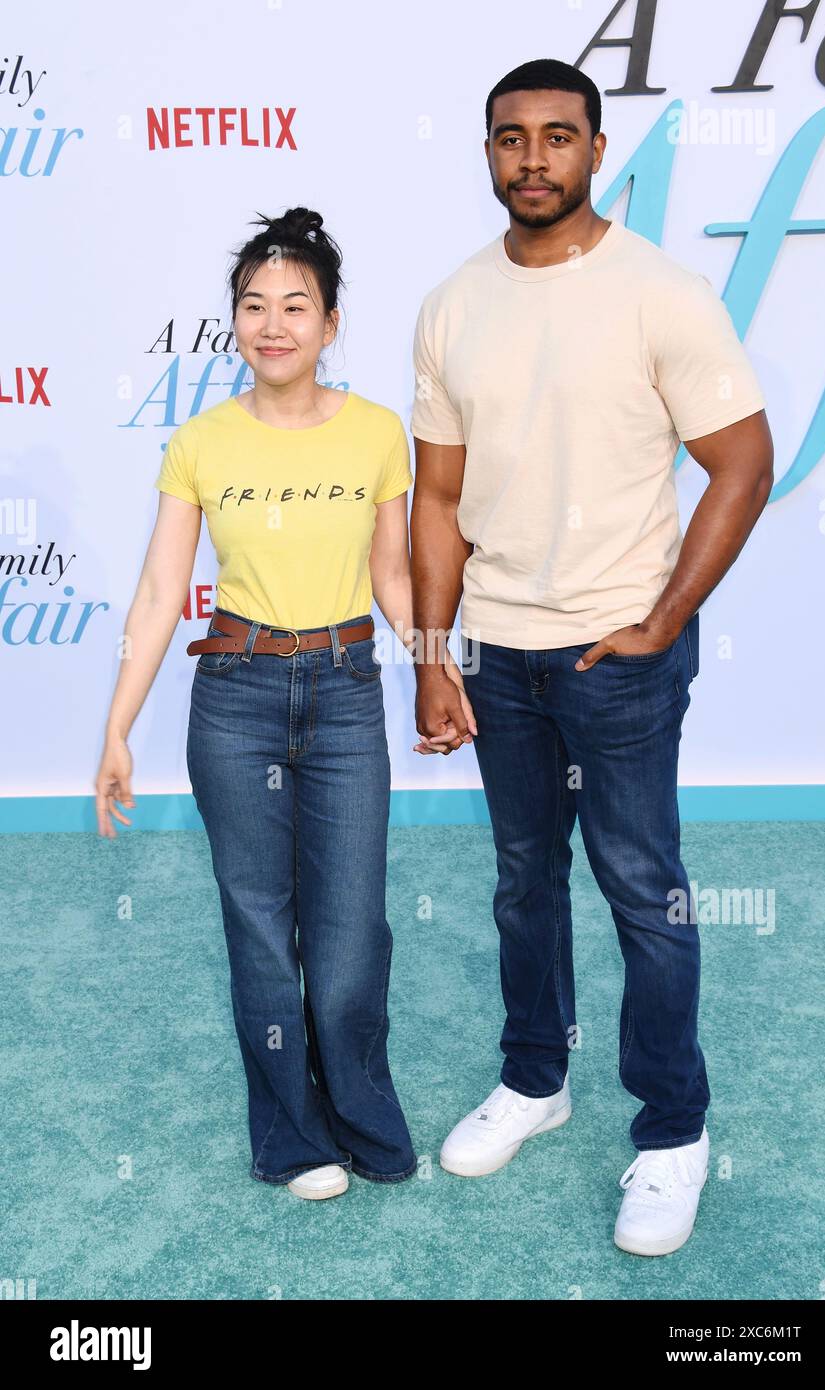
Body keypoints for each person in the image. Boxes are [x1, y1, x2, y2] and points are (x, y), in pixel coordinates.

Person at [410, 60, 774, 1255]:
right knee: (523, 884)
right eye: (509, 138)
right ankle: (534, 1078)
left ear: (594, 148)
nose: (531, 160)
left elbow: (743, 460)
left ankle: (671, 1133)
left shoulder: (658, 293)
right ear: (485, 153)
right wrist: (429, 650)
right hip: (497, 654)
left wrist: (662, 619)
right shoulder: (453, 303)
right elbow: (437, 494)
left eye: (555, 138)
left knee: (643, 895)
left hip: (615, 657)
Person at [95, 205, 473, 1200]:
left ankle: (359, 1109)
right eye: (254, 306)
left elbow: (395, 577)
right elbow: (154, 593)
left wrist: (437, 664)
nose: (273, 323)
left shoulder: (377, 434)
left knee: (350, 935)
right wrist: (115, 729)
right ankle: (290, 1137)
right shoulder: (200, 443)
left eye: (294, 305)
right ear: (234, 323)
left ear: (330, 324)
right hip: (235, 697)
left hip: (347, 696)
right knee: (259, 926)